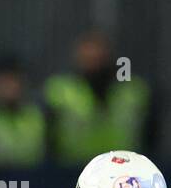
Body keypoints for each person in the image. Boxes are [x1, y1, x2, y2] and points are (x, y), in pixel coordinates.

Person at [44, 29, 149, 164]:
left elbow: (150, 131)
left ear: (109, 57)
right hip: (72, 168)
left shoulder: (132, 90)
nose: (94, 63)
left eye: (98, 58)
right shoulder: (61, 91)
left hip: (125, 167)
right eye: (88, 59)